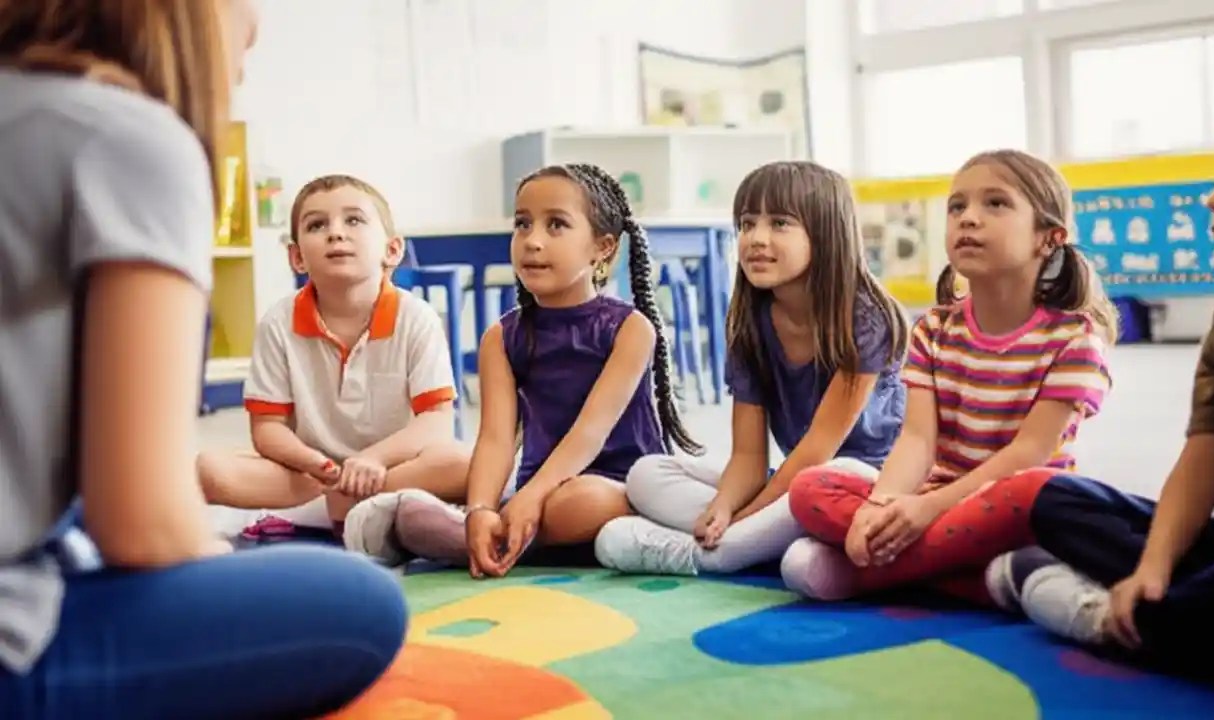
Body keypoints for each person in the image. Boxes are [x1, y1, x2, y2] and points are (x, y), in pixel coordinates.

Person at [0, 3, 407, 718]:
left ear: (391, 247)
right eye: (244, 32)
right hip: (18, 641)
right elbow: (141, 523)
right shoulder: (129, 141)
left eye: (353, 223)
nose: (249, 47)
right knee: (361, 601)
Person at [1009, 89, 1214, 690]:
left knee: (1189, 611)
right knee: (1055, 501)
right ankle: (1177, 613)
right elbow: (1203, 454)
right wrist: (1154, 567)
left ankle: (1116, 620)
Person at [780, 149, 1116, 603]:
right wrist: (882, 506)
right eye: (957, 206)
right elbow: (917, 440)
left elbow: (1030, 453)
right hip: (936, 501)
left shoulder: (1074, 339)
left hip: (1014, 508)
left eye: (995, 203)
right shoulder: (934, 330)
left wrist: (928, 510)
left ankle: (870, 575)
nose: (968, 218)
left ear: (1048, 238)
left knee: (1036, 491)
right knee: (811, 488)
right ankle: (986, 580)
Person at [345, 163, 701, 575]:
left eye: (556, 226)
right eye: (522, 224)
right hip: (537, 491)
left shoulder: (630, 329)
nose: (532, 241)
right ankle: (487, 531)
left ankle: (473, 538)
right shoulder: (501, 338)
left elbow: (589, 433)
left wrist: (530, 499)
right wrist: (480, 508)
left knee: (585, 502)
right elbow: (495, 440)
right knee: (484, 487)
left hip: (615, 485)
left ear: (602, 248)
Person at [594, 161, 910, 576]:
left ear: (827, 233)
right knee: (645, 474)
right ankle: (752, 543)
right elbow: (747, 456)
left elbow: (817, 454)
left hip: (862, 489)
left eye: (779, 223)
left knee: (805, 562)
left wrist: (742, 520)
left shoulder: (868, 320)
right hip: (791, 486)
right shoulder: (750, 323)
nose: (756, 239)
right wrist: (724, 506)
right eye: (747, 224)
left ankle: (704, 554)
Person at [197, 174, 470, 538]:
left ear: (392, 250)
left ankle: (336, 511)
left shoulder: (417, 318)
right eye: (317, 224)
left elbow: (435, 422)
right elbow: (267, 429)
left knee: (464, 462)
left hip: (392, 470)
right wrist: (314, 463)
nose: (336, 233)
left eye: (354, 220)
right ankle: (356, 509)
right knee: (210, 469)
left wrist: (373, 460)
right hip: (312, 479)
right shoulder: (278, 323)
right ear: (297, 257)